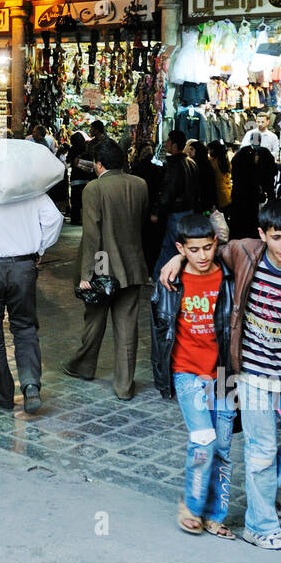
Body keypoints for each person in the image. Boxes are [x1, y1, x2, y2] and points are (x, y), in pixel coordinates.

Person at [159, 198, 281, 552]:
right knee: (260, 451)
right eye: (276, 237)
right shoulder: (246, 254)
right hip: (249, 378)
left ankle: (262, 494)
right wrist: (177, 258)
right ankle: (260, 526)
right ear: (262, 234)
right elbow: (205, 249)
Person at [150, 212, 236, 540]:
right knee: (204, 439)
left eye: (207, 248)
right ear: (180, 248)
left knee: (225, 448)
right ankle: (193, 506)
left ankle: (217, 515)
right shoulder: (171, 281)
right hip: (187, 371)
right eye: (193, 249)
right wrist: (162, 374)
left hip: (225, 373)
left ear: (217, 243)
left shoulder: (230, 275)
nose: (202, 256)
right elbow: (160, 330)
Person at [0, 148, 64, 414]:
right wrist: (40, 249)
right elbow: (54, 220)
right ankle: (31, 384)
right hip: (22, 267)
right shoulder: (30, 189)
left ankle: (2, 394)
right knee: (25, 327)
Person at [63, 139, 149, 400]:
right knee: (127, 327)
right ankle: (124, 386)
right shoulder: (140, 185)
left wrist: (88, 273)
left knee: (95, 321)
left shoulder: (94, 188)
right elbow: (140, 224)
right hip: (133, 265)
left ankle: (83, 366)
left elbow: (92, 235)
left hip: (103, 265)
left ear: (99, 164)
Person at [151, 130, 199, 270]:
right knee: (171, 244)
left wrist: (156, 211)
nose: (166, 144)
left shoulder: (174, 165)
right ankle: (159, 275)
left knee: (176, 245)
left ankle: (168, 275)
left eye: (168, 141)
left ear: (174, 145)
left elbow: (168, 192)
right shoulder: (191, 163)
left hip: (177, 212)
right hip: (189, 210)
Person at [227, 143, 274, 240]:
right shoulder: (250, 176)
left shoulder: (241, 173)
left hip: (238, 209)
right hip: (249, 211)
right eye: (255, 155)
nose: (257, 158)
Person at [131, 144, 163, 273]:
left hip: (140, 207)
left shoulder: (137, 169)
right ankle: (151, 268)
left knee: (142, 239)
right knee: (153, 240)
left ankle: (142, 266)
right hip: (152, 207)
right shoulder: (157, 169)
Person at [187, 139, 217, 213]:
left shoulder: (203, 165)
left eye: (192, 149)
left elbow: (209, 186)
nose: (189, 151)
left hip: (202, 203)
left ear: (198, 150)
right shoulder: (194, 163)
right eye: (189, 149)